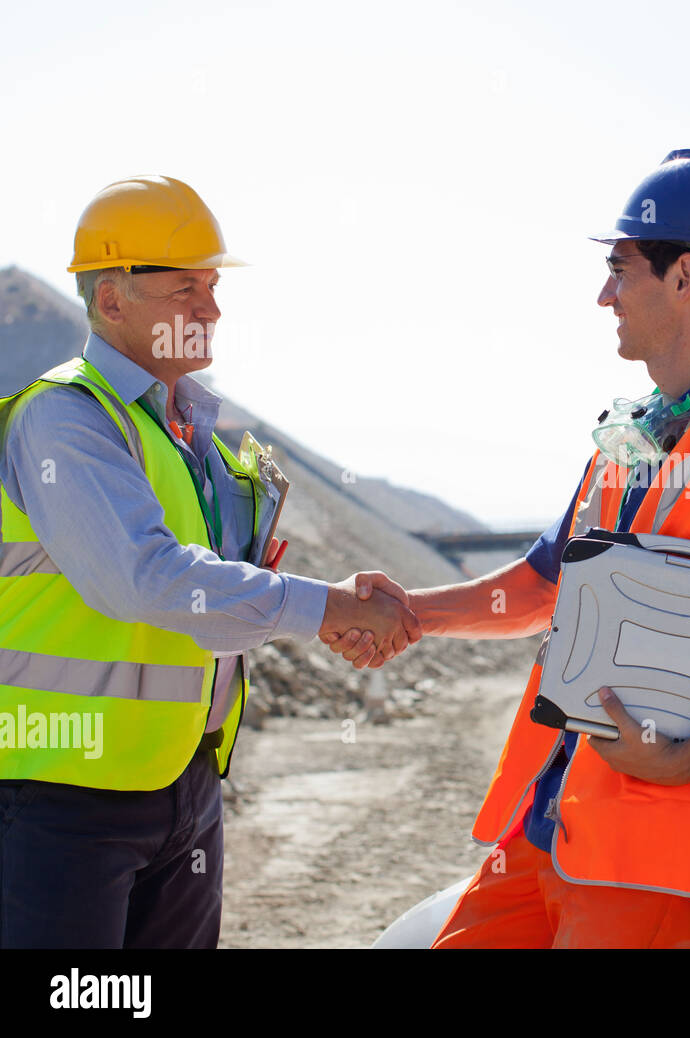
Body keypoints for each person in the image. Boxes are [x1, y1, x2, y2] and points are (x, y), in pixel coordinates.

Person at [327, 149, 690, 948]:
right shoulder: (632, 438)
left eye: (620, 269)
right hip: (558, 826)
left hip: (656, 866)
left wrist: (687, 759)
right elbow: (544, 586)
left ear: (684, 277)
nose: (603, 294)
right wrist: (412, 612)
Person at [0, 175, 421, 949]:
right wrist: (333, 607)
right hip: (61, 796)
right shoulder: (64, 418)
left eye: (214, 285)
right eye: (184, 286)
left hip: (184, 787)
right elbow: (146, 579)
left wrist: (327, 611)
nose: (211, 307)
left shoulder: (191, 434)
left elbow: (220, 595)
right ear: (111, 300)